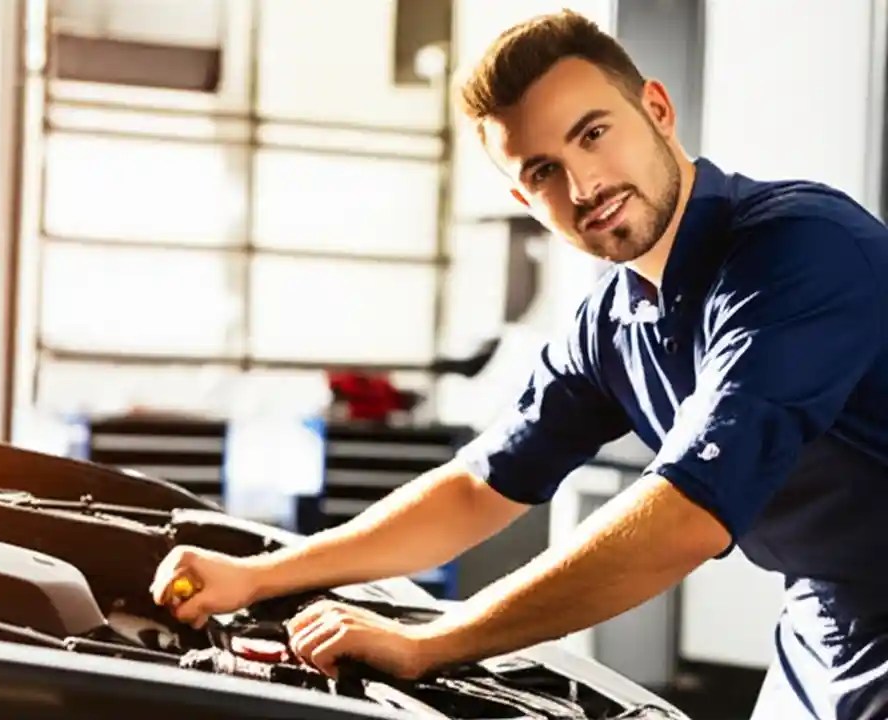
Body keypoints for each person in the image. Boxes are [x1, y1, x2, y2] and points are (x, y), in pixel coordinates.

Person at [150, 10, 888, 718]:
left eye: (594, 134)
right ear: (522, 198)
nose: (583, 187)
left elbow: (686, 517)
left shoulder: (800, 251)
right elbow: (481, 487)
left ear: (657, 109)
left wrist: (432, 642)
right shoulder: (612, 323)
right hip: (829, 625)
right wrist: (262, 573)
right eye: (543, 172)